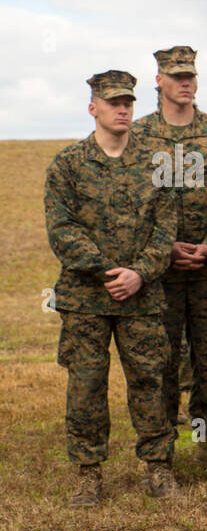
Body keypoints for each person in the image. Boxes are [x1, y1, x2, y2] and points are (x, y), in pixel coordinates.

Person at [45, 70, 178, 504]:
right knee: (86, 384)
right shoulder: (68, 164)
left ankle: (158, 469)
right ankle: (88, 473)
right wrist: (108, 271)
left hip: (142, 296)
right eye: (113, 103)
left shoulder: (157, 163)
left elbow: (166, 229)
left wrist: (140, 272)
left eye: (128, 103)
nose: (123, 110)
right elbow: (61, 229)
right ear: (93, 108)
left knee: (150, 381)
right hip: (87, 299)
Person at [131, 45, 207, 478]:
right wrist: (164, 247)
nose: (185, 82)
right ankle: (160, 459)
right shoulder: (138, 137)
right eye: (176, 76)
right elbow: (129, 206)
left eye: (190, 74)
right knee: (160, 362)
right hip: (158, 272)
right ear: (159, 80)